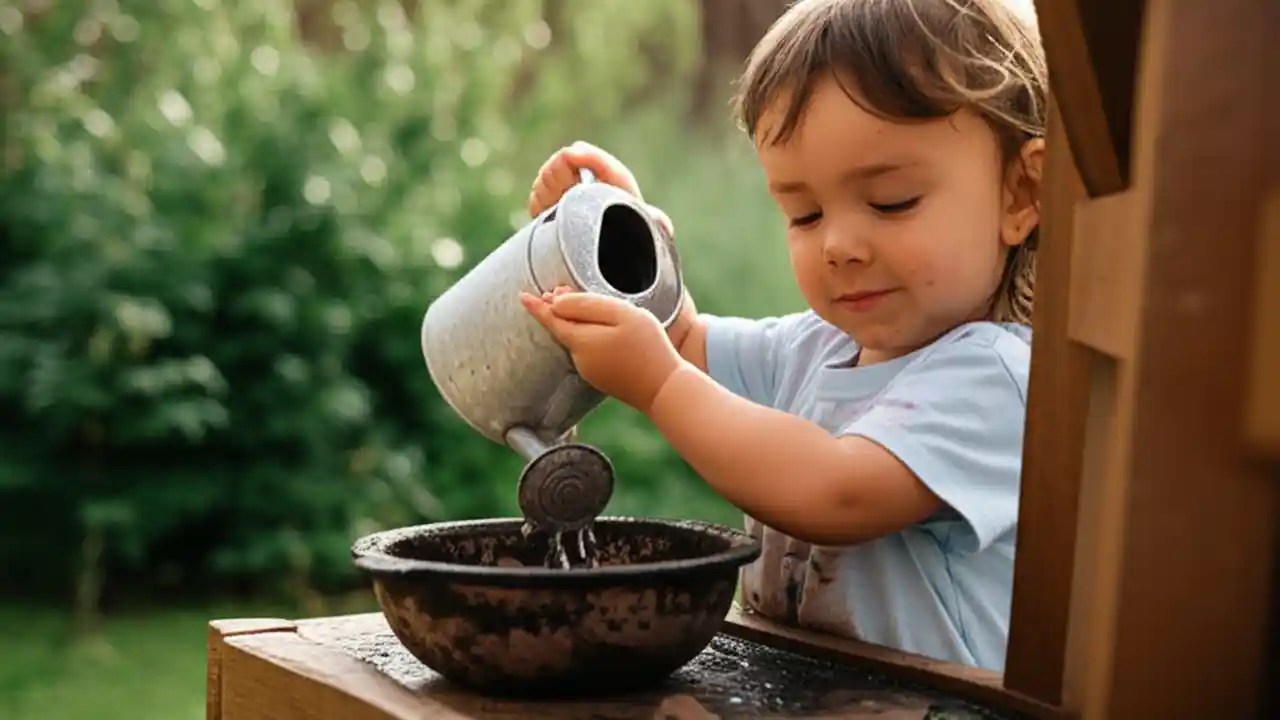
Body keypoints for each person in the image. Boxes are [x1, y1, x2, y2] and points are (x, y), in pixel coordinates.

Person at [518, 0, 1046, 673]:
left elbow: (834, 491)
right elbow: (681, 341)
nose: (840, 244)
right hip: (802, 690)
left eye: (892, 202)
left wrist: (655, 384)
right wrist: (626, 238)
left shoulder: (997, 378)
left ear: (1021, 193)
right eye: (804, 213)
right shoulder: (814, 348)